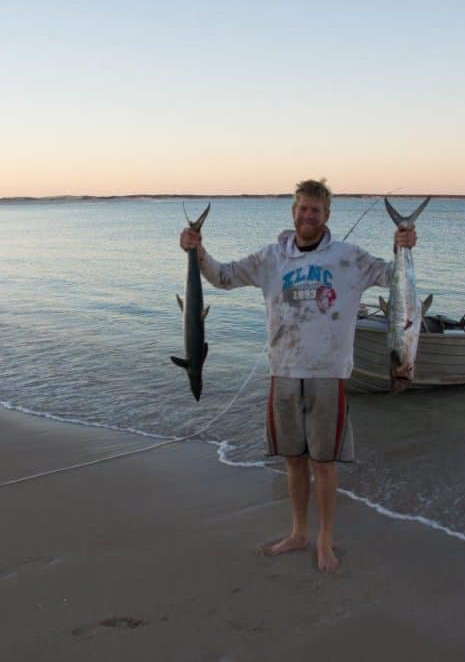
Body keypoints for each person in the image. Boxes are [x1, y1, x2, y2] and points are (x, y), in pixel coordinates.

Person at [179, 178, 417, 573]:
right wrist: (196, 249)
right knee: (293, 460)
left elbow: (394, 275)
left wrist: (403, 244)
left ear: (326, 216)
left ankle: (324, 538)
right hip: (284, 373)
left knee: (324, 463)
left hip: (328, 375)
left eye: (316, 210)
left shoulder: (348, 257)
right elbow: (222, 277)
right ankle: (298, 533)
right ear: (293, 212)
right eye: (303, 209)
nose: (308, 216)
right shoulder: (270, 257)